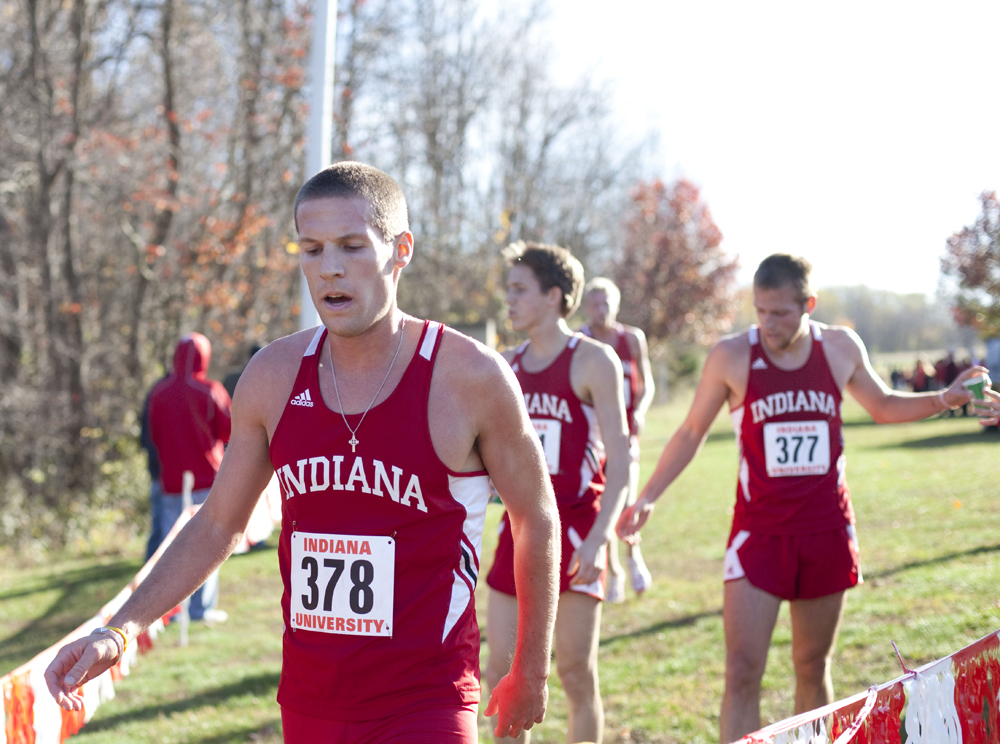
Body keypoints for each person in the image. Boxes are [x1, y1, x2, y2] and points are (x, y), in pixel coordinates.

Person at [45, 162, 560, 744]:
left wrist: (531, 669)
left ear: (401, 250)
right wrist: (119, 629)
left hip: (428, 698)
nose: (330, 268)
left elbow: (535, 519)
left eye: (351, 246)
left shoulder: (469, 376)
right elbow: (217, 522)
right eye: (311, 249)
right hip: (312, 701)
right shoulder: (272, 375)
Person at [615, 254, 990, 744]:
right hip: (759, 534)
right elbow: (689, 431)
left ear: (808, 305)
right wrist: (649, 495)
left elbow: (882, 405)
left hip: (826, 529)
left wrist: (944, 398)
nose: (768, 324)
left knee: (813, 666)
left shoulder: (838, 348)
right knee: (742, 670)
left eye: (781, 313)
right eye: (760, 312)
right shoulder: (731, 356)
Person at [484, 243, 631, 744]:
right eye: (509, 289)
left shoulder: (594, 361)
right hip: (519, 533)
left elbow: (622, 460)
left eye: (520, 290)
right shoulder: (503, 366)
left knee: (574, 674)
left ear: (554, 296)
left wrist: (600, 540)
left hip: (579, 533)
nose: (509, 299)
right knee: (500, 675)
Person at [147, 332, 232, 623]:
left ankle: (167, 613)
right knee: (208, 545)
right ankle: (200, 609)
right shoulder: (210, 390)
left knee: (170, 550)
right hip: (207, 479)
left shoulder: (159, 392)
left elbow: (153, 435)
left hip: (171, 481)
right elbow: (228, 430)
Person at [580, 276, 655, 601]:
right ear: (586, 307)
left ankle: (633, 557)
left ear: (616, 305)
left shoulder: (632, 339)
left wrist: (638, 411)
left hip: (625, 434)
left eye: (606, 303)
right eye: (594, 304)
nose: (600, 310)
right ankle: (614, 574)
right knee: (601, 505)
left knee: (626, 500)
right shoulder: (580, 341)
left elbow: (647, 384)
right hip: (592, 436)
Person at [139, 383, 165, 562]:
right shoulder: (159, 395)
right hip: (161, 474)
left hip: (160, 472)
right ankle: (150, 570)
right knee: (160, 527)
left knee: (160, 526)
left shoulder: (155, 393)